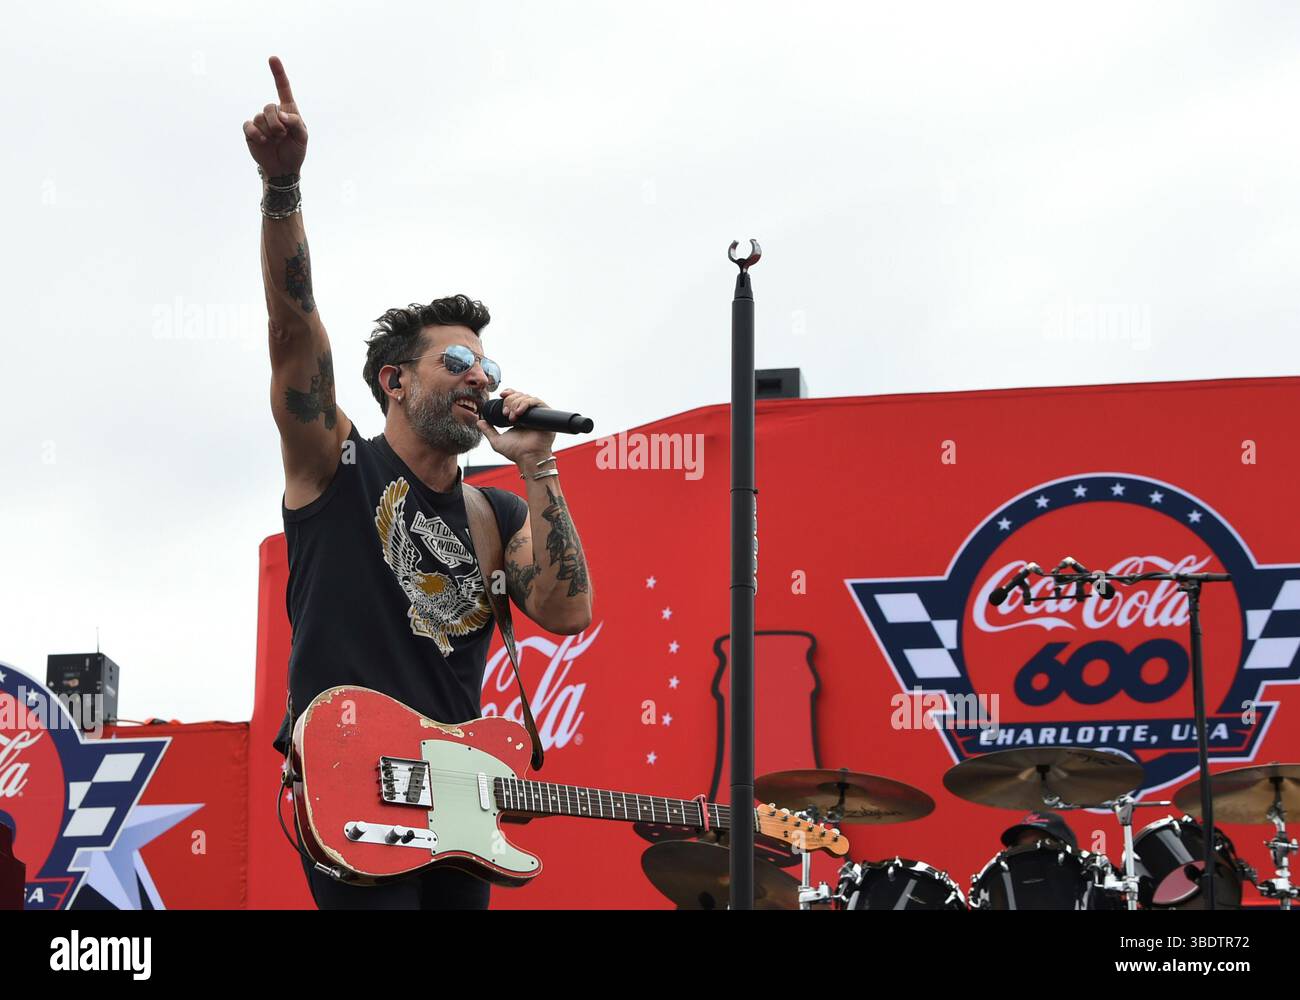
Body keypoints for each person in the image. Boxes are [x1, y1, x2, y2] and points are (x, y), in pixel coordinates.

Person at [243, 56, 593, 909]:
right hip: (351, 783)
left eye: (489, 363)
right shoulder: (337, 465)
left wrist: (539, 462)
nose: (480, 377)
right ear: (397, 381)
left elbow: (568, 612)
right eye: (458, 360)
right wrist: (282, 189)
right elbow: (294, 333)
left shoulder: (494, 509)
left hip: (456, 798)